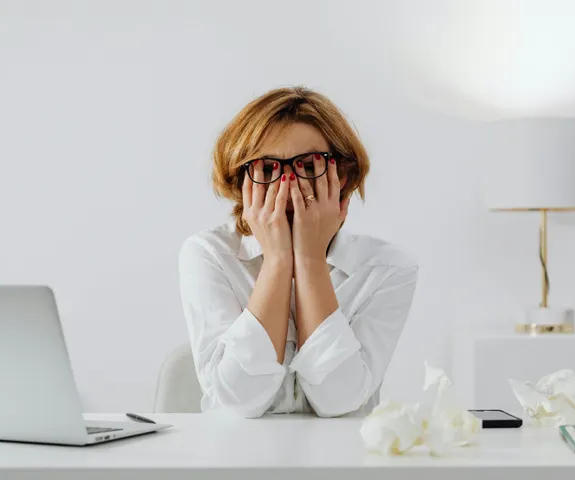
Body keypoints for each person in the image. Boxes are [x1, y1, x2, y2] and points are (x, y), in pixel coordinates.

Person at [179, 86, 418, 418]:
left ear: (343, 175)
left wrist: (309, 259)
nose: (288, 186)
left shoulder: (386, 269)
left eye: (309, 165)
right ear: (241, 180)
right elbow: (239, 399)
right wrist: (278, 261)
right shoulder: (208, 254)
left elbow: (338, 400)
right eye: (267, 168)